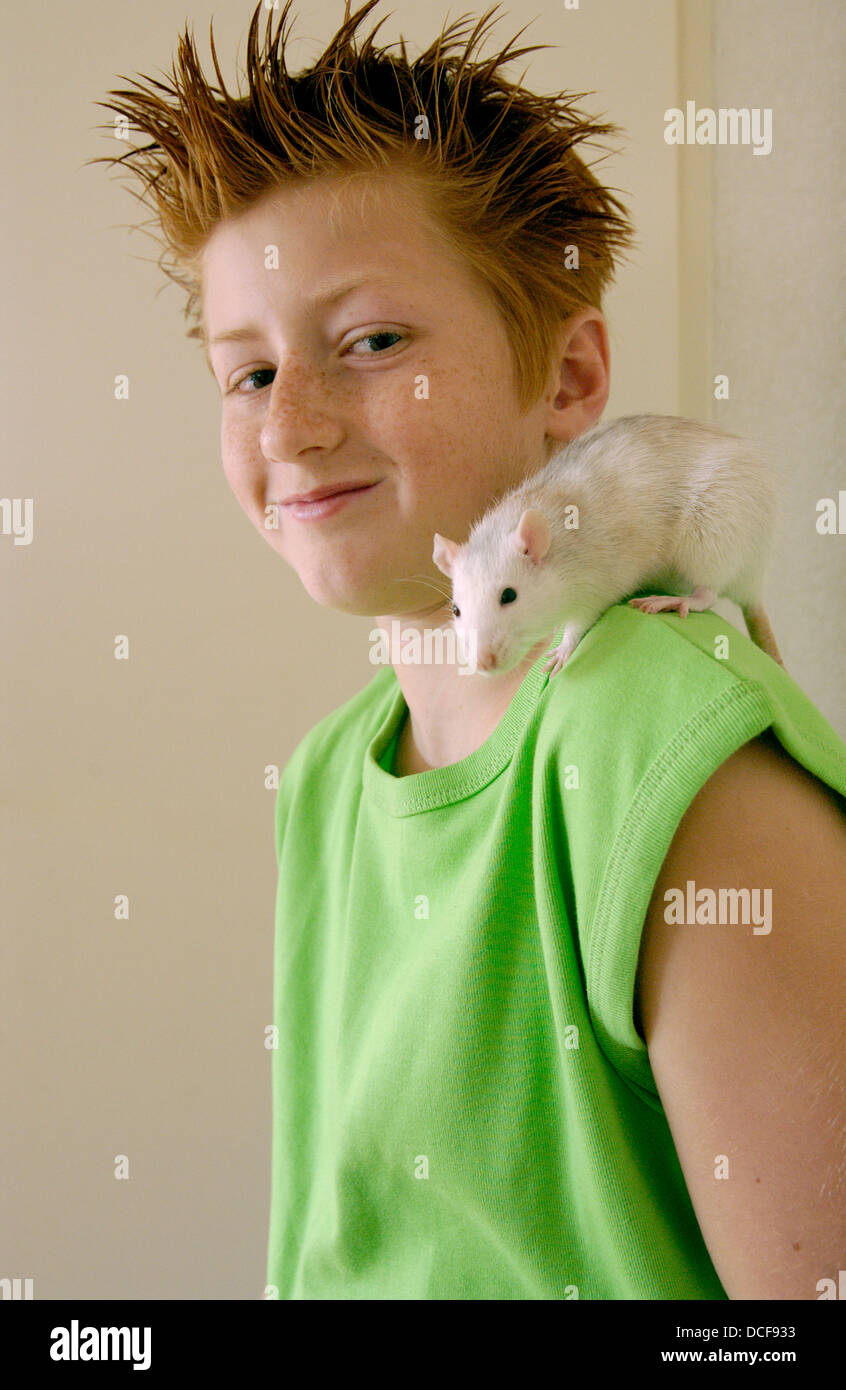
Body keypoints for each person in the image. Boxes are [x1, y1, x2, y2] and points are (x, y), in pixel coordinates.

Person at [93, 0, 846, 1299]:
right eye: (247, 372)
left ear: (565, 377)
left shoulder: (672, 755)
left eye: (372, 341)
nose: (292, 428)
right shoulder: (330, 777)